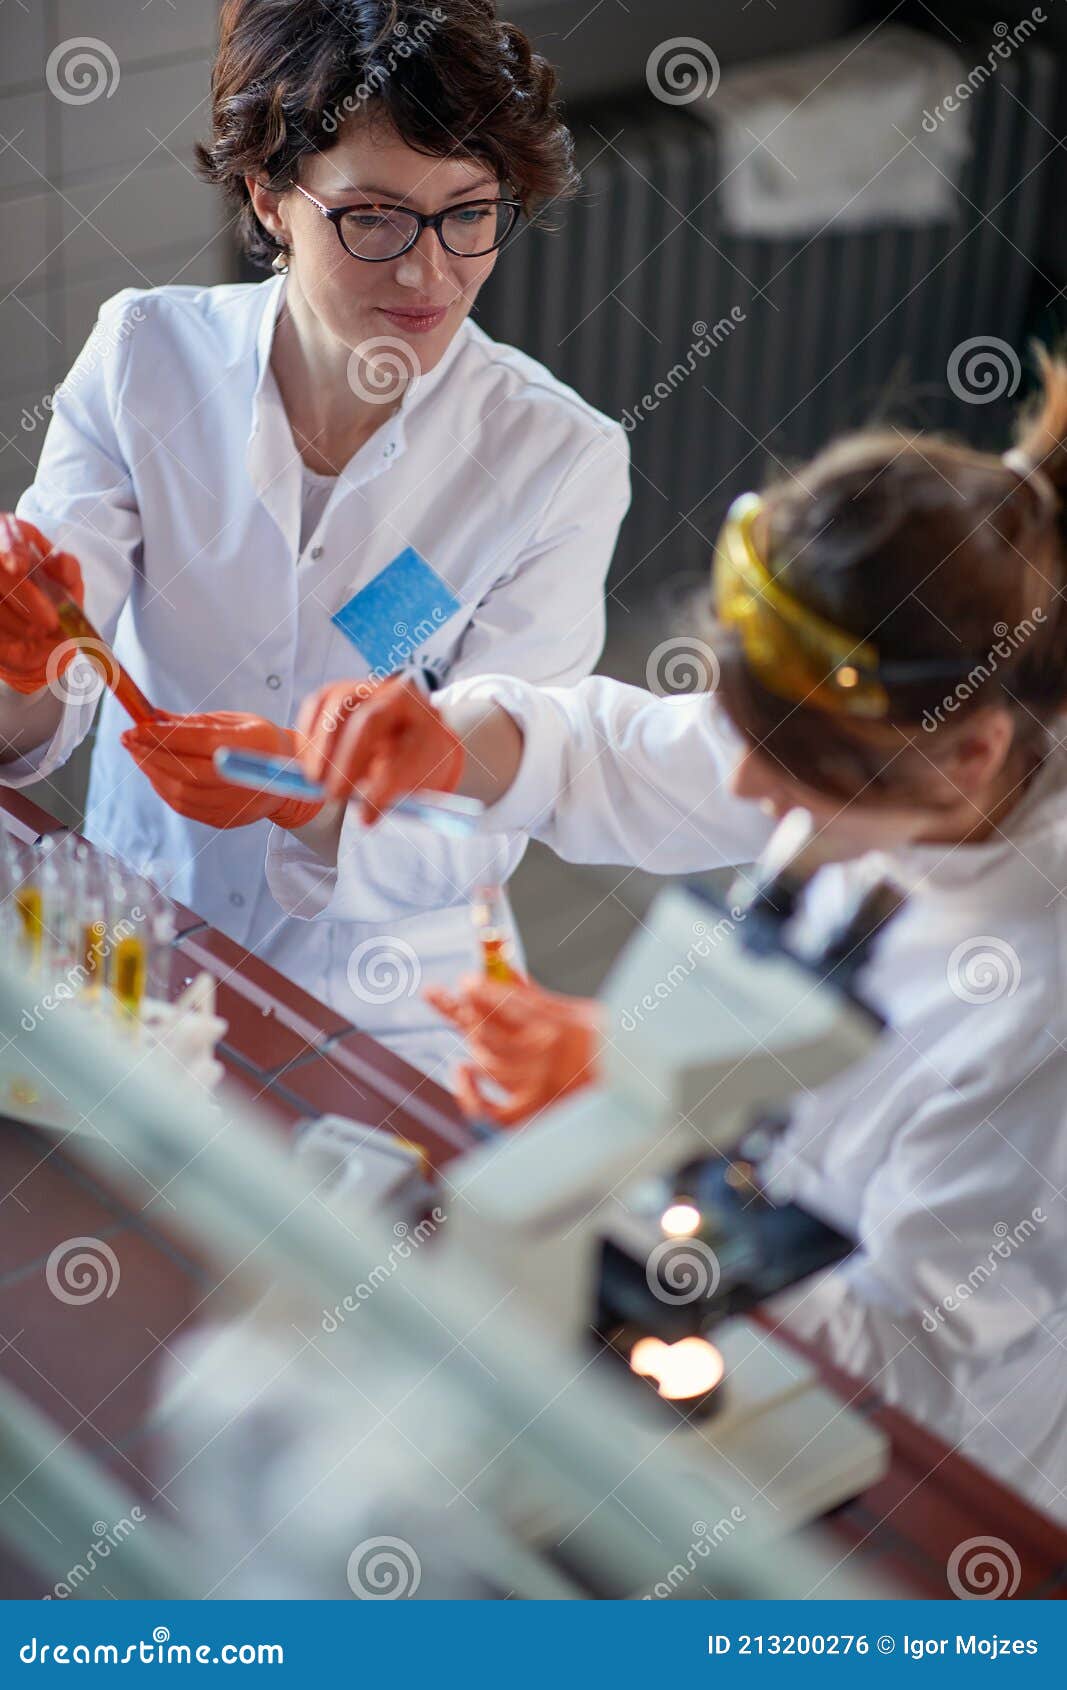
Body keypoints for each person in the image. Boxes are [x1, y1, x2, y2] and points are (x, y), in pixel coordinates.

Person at [296, 355, 1067, 1520]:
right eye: (743, 736)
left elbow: (916, 1358)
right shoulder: (885, 745)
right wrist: (453, 743)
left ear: (968, 756)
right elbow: (625, 756)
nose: (744, 792)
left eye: (792, 780)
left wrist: (641, 1119)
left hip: (931, 1493)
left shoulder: (1032, 996)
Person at [0, 0, 629, 1079]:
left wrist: (311, 805)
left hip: (386, 992)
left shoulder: (555, 457)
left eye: (468, 214)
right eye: (373, 218)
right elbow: (45, 703)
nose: (427, 274)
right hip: (148, 929)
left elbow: (490, 809)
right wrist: (20, 658)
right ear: (269, 195)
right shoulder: (148, 357)